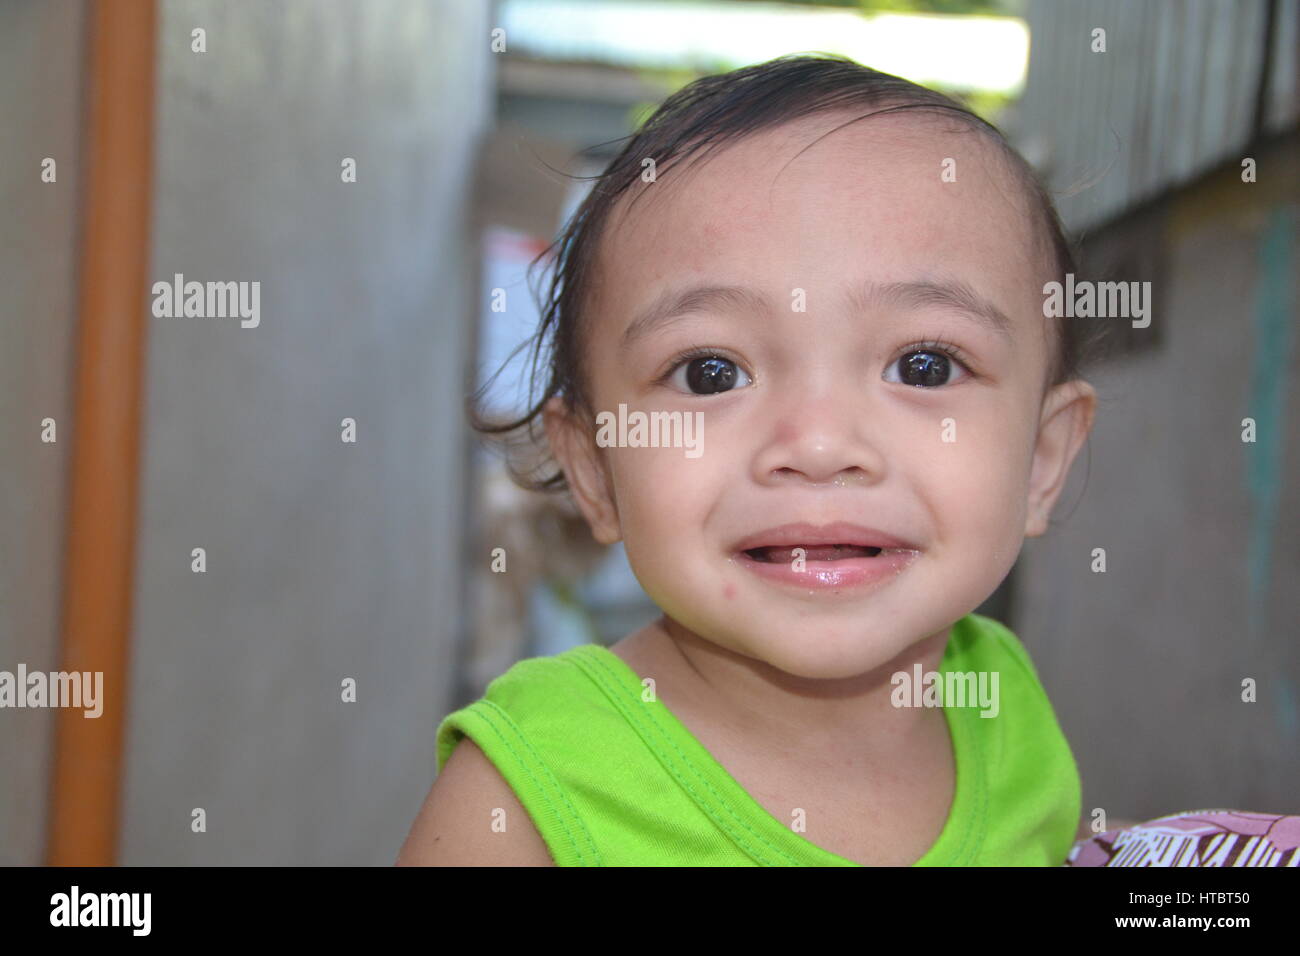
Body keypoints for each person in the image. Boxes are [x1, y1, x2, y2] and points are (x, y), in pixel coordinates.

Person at [398, 53, 1107, 866]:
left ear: (1043, 460)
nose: (816, 445)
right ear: (596, 470)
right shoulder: (528, 795)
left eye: (924, 366)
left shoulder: (1004, 703)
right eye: (711, 373)